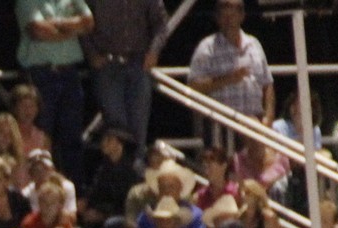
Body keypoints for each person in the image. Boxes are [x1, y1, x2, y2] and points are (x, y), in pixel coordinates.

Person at [18, 0, 94, 184]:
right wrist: (72, 28)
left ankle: (74, 189)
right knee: (43, 135)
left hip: (70, 73)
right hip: (42, 73)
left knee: (72, 136)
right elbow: (38, 31)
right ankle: (39, 187)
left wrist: (57, 25)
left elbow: (89, 23)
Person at [85, 0, 171, 154]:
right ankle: (117, 172)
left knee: (138, 128)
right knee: (116, 128)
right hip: (107, 64)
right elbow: (83, 23)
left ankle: (136, 172)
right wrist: (91, 53)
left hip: (138, 64)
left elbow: (161, 24)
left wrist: (154, 51)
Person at [187, 0, 273, 128]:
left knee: (263, 133)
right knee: (253, 128)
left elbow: (267, 84)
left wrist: (269, 118)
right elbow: (193, 86)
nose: (229, 18)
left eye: (234, 13)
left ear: (242, 16)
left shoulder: (254, 44)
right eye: (225, 13)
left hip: (257, 120)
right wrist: (228, 79)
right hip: (223, 124)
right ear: (217, 17)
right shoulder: (207, 48)